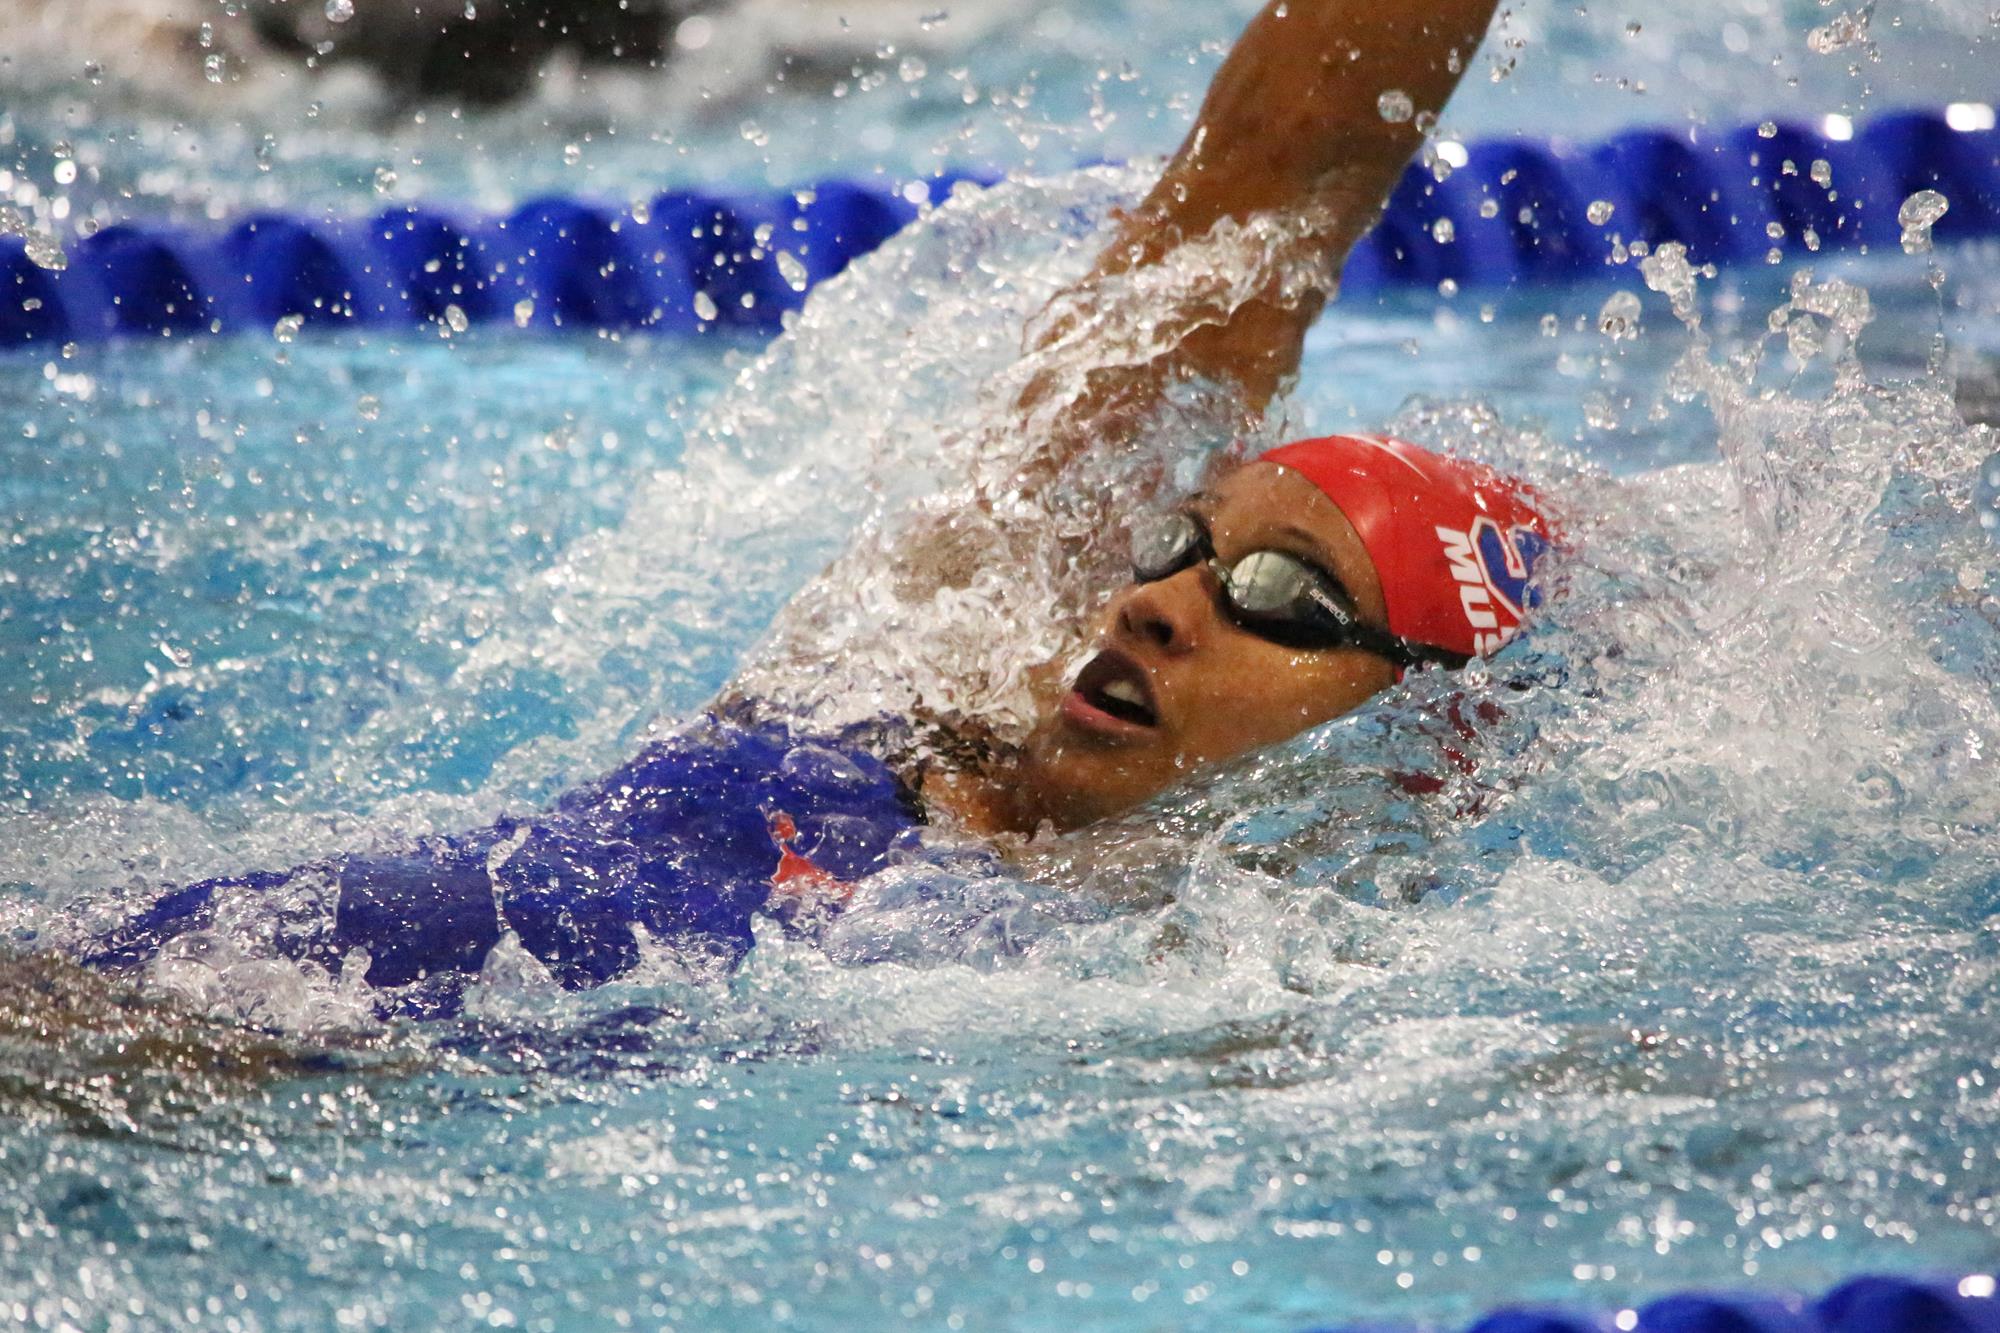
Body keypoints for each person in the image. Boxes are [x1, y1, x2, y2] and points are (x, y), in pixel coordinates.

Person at [72, 0, 1555, 1018]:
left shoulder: (1213, 984)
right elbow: (1264, 188)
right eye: (1183, 541)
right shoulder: (888, 691)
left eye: (1283, 599)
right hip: (198, 981)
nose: (1157, 596)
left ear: (1399, 728)